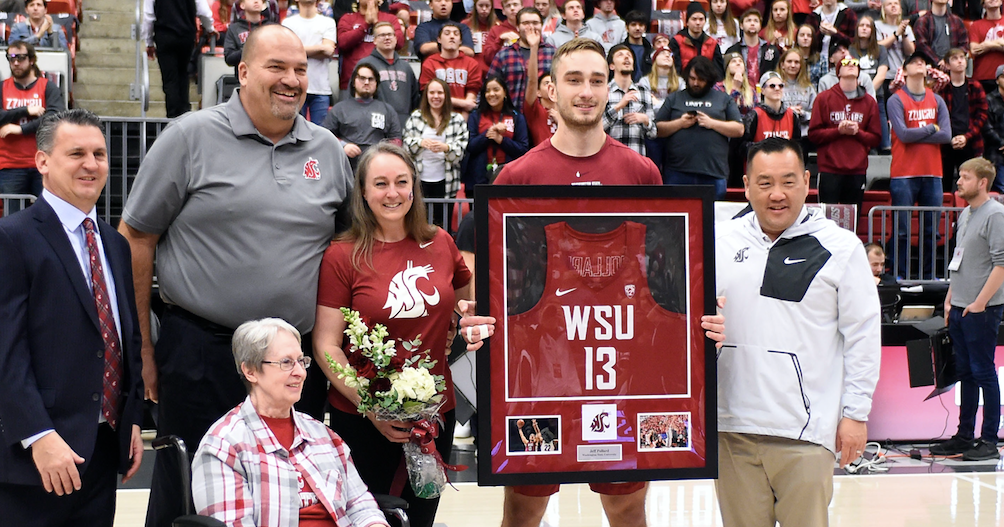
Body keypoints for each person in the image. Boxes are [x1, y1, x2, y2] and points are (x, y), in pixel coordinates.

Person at [457, 38, 726, 527]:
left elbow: (664, 273)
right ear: (550, 93)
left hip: (621, 367)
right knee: (522, 509)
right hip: (540, 371)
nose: (586, 91)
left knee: (626, 507)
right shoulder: (519, 175)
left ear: (610, 88)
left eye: (597, 80)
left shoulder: (640, 171)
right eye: (574, 80)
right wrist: (475, 316)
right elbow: (489, 274)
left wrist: (700, 312)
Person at [117, 25, 354, 527]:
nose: (292, 79)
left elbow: (351, 250)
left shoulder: (328, 150)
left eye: (299, 69)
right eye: (277, 67)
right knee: (186, 494)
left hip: (293, 361)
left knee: (288, 493)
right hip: (201, 352)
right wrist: (141, 347)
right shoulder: (189, 136)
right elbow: (136, 237)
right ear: (243, 71)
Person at [716, 136, 880, 527]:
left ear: (807, 182)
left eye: (788, 181)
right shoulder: (719, 240)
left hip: (805, 432)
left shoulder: (841, 248)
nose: (777, 194)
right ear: (746, 183)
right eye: (765, 182)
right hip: (731, 428)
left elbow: (862, 334)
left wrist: (856, 414)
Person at [314, 142, 472, 527]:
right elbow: (325, 344)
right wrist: (372, 407)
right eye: (380, 183)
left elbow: (466, 299)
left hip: (435, 414)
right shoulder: (343, 254)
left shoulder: (440, 241)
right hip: (363, 419)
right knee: (368, 518)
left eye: (402, 182)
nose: (393, 193)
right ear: (363, 192)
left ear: (414, 187)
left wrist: (456, 321)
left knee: (420, 517)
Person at [0, 109, 145, 526]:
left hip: (100, 451)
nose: (91, 164)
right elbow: (6, 354)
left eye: (99, 154)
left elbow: (124, 338)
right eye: (76, 153)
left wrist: (130, 419)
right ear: (42, 161)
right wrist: (38, 436)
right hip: (36, 460)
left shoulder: (115, 244)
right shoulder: (13, 238)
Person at [191, 318, 389, 527]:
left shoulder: (323, 435)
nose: (300, 373)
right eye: (286, 363)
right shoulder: (223, 445)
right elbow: (233, 523)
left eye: (302, 361)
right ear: (250, 371)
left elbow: (361, 505)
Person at [927, 158, 1004, 461]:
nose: (958, 181)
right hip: (960, 304)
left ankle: (988, 440)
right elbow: (959, 260)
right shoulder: (966, 214)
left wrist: (980, 302)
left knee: (984, 372)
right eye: (959, 176)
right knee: (965, 373)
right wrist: (950, 297)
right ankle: (964, 435)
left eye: (965, 177)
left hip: (981, 309)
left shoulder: (996, 214)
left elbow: (1001, 264)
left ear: (983, 182)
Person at [886, 50, 951, 279]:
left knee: (931, 231)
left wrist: (921, 133)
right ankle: (898, 274)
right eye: (913, 62)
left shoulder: (937, 99)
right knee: (901, 230)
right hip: (904, 173)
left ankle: (929, 275)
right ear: (903, 71)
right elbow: (902, 134)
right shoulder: (895, 100)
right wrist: (930, 128)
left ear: (927, 70)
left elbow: (946, 136)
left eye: (922, 62)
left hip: (933, 173)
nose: (919, 65)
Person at [656, 55, 743, 196]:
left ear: (709, 79)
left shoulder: (723, 99)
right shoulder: (675, 98)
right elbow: (656, 129)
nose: (696, 83)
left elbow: (739, 129)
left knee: (714, 216)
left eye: (701, 80)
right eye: (692, 78)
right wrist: (680, 123)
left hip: (714, 172)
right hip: (678, 172)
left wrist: (712, 123)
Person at [809, 56, 881, 209]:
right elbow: (814, 134)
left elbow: (876, 138)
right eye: (846, 63)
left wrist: (857, 132)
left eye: (855, 63)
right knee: (827, 220)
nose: (851, 65)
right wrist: (838, 131)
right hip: (830, 169)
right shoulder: (823, 99)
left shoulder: (869, 102)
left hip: (857, 170)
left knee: (852, 219)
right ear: (838, 72)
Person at [0, 41, 64, 205]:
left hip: (43, 164)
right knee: (11, 220)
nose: (15, 63)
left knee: (45, 217)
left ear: (32, 60)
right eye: (11, 58)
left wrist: (21, 129)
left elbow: (54, 117)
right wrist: (26, 110)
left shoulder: (47, 87)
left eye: (20, 58)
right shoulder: (2, 87)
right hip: (10, 165)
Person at [403, 78, 470, 227]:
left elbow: (461, 150)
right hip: (420, 179)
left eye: (440, 92)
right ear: (426, 95)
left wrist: (446, 147)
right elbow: (406, 145)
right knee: (420, 223)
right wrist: (421, 142)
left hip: (446, 181)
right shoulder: (416, 117)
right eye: (432, 92)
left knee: (442, 224)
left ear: (446, 95)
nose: (436, 96)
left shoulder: (457, 120)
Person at [323, 63, 403, 170]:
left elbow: (396, 140)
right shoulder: (339, 109)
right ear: (353, 82)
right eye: (362, 78)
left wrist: (383, 152)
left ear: (376, 83)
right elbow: (325, 136)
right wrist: (343, 146)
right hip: (346, 168)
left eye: (371, 79)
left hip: (378, 167)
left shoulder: (387, 110)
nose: (366, 82)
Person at [142, 0, 215, 117]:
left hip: (164, 36)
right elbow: (203, 11)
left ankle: (172, 115)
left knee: (170, 79)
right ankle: (184, 112)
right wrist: (210, 27)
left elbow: (149, 16)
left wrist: (149, 42)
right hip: (186, 36)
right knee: (183, 75)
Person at [464, 75, 529, 191]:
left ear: (504, 92)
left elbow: (523, 149)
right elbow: (470, 146)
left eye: (496, 89)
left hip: (509, 177)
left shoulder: (517, 117)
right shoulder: (475, 116)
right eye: (487, 91)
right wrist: (488, 134)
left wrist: (502, 140)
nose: (491, 94)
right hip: (479, 178)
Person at [938, 48, 987, 192]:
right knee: (944, 185)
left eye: (962, 57)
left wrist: (967, 137)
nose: (960, 61)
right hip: (947, 143)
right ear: (947, 65)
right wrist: (949, 137)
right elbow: (937, 116)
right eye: (955, 58)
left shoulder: (975, 86)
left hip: (971, 142)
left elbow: (982, 114)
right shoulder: (942, 88)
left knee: (971, 186)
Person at [488, 6, 555, 109]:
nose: (531, 27)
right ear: (518, 27)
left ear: (541, 25)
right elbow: (490, 85)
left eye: (535, 23)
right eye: (526, 23)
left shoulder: (553, 53)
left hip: (545, 116)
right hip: (512, 114)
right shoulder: (504, 55)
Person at [281, 0, 337, 125]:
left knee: (321, 133)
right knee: (292, 130)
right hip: (293, 85)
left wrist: (297, 49)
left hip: (320, 88)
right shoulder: (288, 23)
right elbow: (285, 51)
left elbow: (328, 50)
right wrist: (320, 48)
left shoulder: (328, 22)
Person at [358, 21, 422, 127]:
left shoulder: (406, 67)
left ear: (396, 39)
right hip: (373, 124)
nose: (387, 38)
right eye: (382, 35)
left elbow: (414, 98)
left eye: (390, 35)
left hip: (404, 123)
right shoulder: (365, 65)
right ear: (374, 40)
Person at [337, 0, 404, 92]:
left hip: (384, 83)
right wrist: (365, 24)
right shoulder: (347, 18)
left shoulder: (390, 19)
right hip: (352, 82)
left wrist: (376, 23)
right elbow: (343, 43)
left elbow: (399, 42)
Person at [875, 0, 915, 153]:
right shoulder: (878, 25)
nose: (893, 6)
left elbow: (910, 50)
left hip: (901, 77)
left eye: (896, 4)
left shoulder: (906, 28)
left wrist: (903, 34)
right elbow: (878, 47)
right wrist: (896, 34)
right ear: (884, 9)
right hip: (884, 74)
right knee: (885, 112)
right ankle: (885, 145)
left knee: (901, 112)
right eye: (889, 4)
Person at [420, 22, 484, 115]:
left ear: (461, 41)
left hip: (464, 116)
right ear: (439, 39)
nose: (452, 36)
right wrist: (462, 103)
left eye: (456, 34)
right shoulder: (430, 63)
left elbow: (471, 96)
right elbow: (428, 94)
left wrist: (462, 120)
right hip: (436, 115)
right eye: (447, 33)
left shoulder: (471, 64)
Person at [604, 44, 656, 155]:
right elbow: (597, 128)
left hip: (636, 157)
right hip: (611, 158)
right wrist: (618, 107)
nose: (626, 57)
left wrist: (645, 120)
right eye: (620, 55)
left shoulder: (644, 92)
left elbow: (653, 133)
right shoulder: (604, 91)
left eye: (629, 55)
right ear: (611, 66)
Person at [742, 71, 802, 155]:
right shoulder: (754, 115)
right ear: (762, 90)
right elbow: (743, 146)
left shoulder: (792, 115)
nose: (777, 88)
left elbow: (797, 146)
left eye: (780, 86)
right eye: (772, 86)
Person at [523, 18, 559, 146]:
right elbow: (532, 81)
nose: (551, 86)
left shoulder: (565, 110)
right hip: (543, 158)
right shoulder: (535, 111)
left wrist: (561, 121)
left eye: (553, 83)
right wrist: (534, 48)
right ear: (538, 92)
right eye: (546, 83)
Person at [726, 9, 781, 85]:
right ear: (741, 26)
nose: (752, 23)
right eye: (748, 20)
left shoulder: (771, 49)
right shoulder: (732, 51)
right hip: (741, 90)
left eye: (756, 21)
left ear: (760, 26)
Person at [669, 3, 724, 74]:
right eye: (694, 19)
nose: (698, 23)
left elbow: (718, 72)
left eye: (701, 19)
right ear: (687, 22)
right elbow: (675, 70)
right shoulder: (676, 41)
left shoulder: (712, 44)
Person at [913, 0, 967, 71]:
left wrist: (951, 60)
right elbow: (922, 46)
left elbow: (964, 44)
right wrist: (938, 61)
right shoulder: (922, 21)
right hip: (930, 68)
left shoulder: (957, 21)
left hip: (953, 69)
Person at [224, 0, 274, 75]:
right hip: (244, 78)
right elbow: (229, 58)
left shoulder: (272, 27)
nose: (256, 1)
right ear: (242, 5)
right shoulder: (234, 29)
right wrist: (248, 49)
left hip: (269, 75)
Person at [777, 48, 816, 142]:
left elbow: (816, 115)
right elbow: (768, 111)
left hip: (804, 137)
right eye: (789, 61)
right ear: (782, 65)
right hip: (780, 135)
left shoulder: (809, 88)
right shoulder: (775, 85)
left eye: (797, 62)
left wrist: (802, 114)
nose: (793, 65)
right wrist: (787, 111)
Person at [807, 0, 858, 71]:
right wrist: (821, 33)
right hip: (817, 63)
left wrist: (836, 33)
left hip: (842, 62)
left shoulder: (848, 14)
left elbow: (854, 41)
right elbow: (809, 43)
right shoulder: (813, 16)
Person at [969, 0, 1004, 97]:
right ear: (983, 4)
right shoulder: (976, 25)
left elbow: (979, 47)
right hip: (983, 76)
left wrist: (988, 45)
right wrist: (1000, 43)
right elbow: (974, 50)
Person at [850, 16, 888, 98]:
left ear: (873, 30)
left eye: (868, 26)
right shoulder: (850, 50)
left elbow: (881, 75)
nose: (864, 28)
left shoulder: (881, 49)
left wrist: (868, 93)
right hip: (855, 95)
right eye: (861, 25)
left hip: (876, 95)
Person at [983, 65, 1004, 193]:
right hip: (996, 154)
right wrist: (1002, 143)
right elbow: (986, 127)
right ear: (997, 80)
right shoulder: (989, 100)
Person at [483, 0, 523, 68]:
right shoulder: (495, 30)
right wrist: (499, 41)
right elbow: (487, 58)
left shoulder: (530, 27)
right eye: (508, 6)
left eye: (515, 4)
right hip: (503, 70)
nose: (512, 8)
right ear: (503, 11)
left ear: (522, 7)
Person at [463, 0, 500, 68]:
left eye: (487, 6)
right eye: (481, 6)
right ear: (475, 6)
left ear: (492, 7)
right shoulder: (465, 24)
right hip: (472, 64)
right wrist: (467, 41)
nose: (484, 9)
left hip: (492, 65)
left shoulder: (498, 25)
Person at [623, 10, 653, 81]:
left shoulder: (651, 52)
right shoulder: (619, 51)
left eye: (641, 25)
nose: (637, 28)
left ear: (645, 28)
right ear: (627, 28)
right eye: (633, 25)